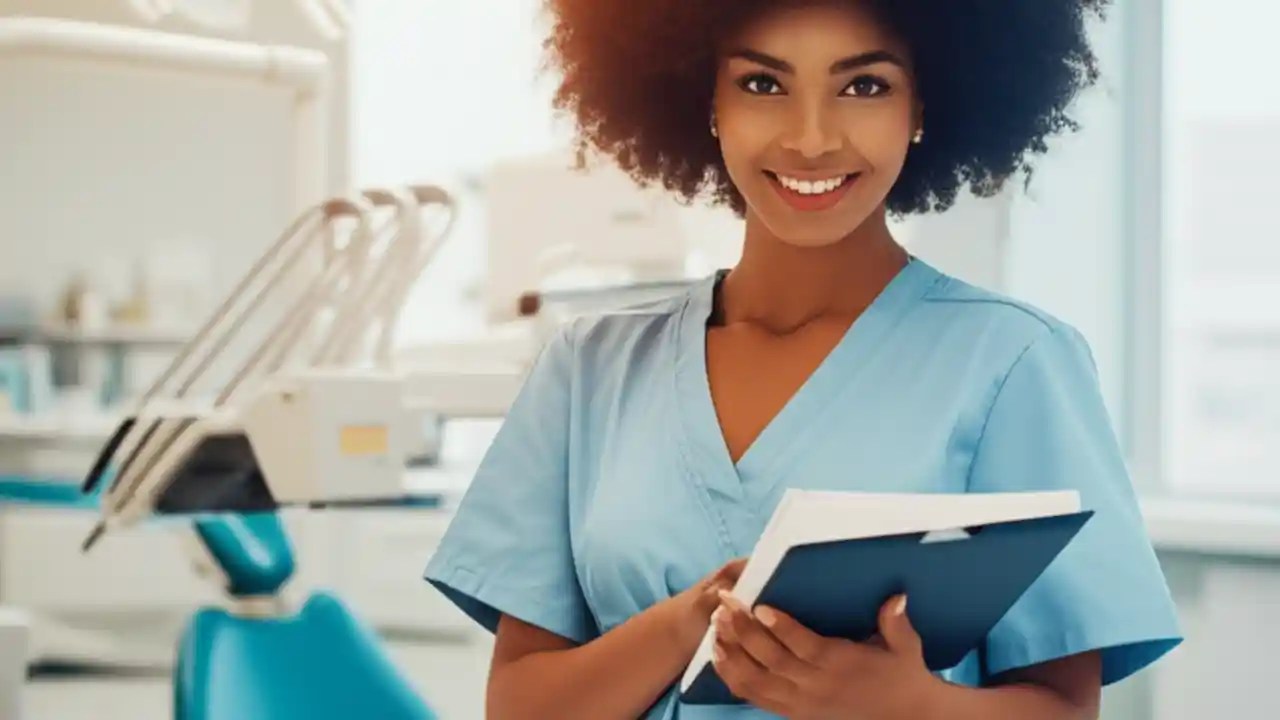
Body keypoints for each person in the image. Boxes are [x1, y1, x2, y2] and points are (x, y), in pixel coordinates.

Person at [424, 0, 1183, 717]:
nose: (812, 137)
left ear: (923, 105)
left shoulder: (1016, 362)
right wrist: (691, 623)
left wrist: (904, 706)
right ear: (706, 99)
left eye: (864, 85)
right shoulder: (589, 368)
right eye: (762, 83)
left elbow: (1065, 705)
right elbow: (518, 704)